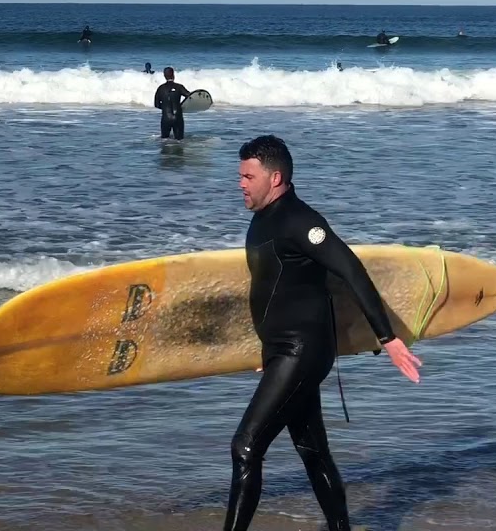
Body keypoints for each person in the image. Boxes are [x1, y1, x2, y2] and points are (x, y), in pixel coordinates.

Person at [225, 135, 422, 531]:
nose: (240, 183)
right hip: (284, 352)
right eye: (240, 176)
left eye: (248, 176)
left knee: (245, 446)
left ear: (275, 178)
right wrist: (269, 352)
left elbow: (352, 271)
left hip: (302, 352)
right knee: (312, 451)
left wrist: (388, 338)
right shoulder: (262, 219)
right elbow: (275, 289)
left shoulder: (302, 221)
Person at [153, 67, 190, 140]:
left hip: (166, 118)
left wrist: (165, 107)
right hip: (178, 117)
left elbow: (156, 104)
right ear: (173, 75)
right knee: (179, 141)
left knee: (164, 141)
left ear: (164, 76)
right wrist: (182, 106)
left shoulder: (161, 88)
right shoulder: (179, 87)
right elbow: (189, 96)